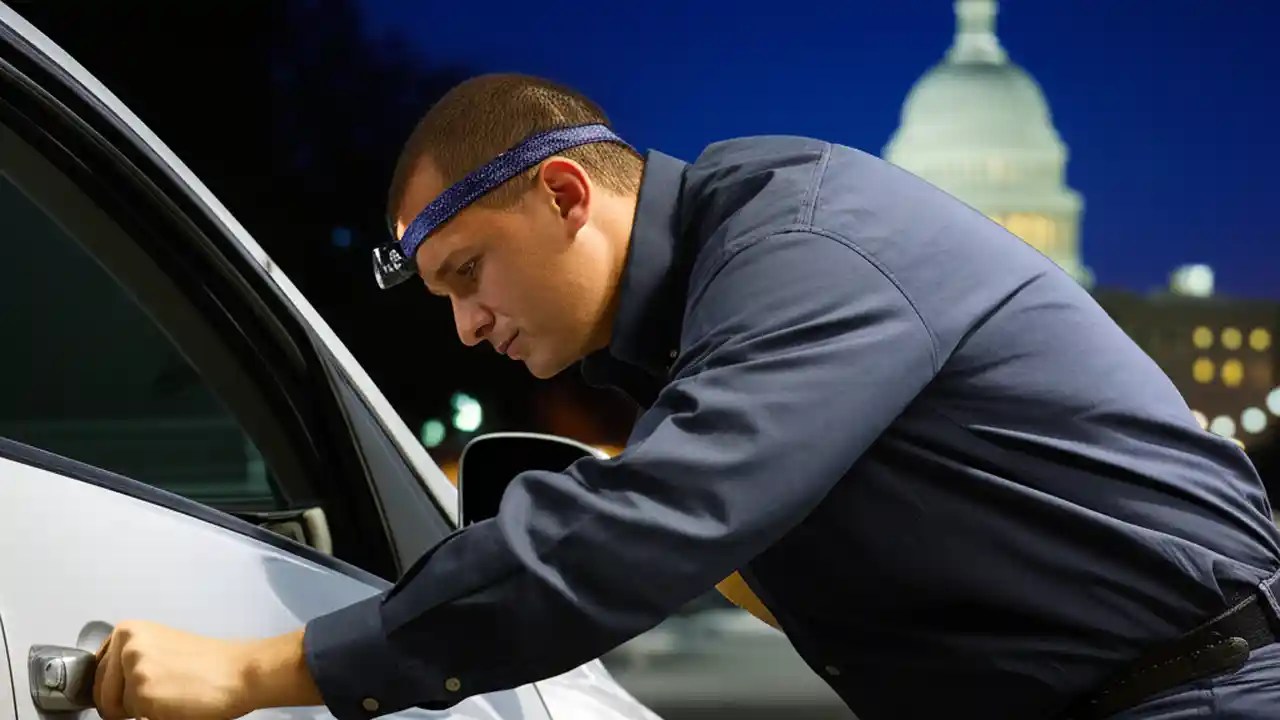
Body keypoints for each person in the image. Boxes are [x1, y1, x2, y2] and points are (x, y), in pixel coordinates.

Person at [92, 73, 1280, 720]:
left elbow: (654, 523)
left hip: (1195, 693)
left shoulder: (803, 244)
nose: (464, 325)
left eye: (468, 274)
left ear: (565, 193)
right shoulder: (695, 327)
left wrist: (262, 672)